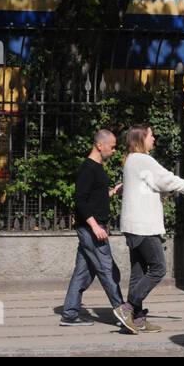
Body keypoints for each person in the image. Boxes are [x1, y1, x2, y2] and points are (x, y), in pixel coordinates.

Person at [119, 123, 184, 332]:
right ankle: (128, 307)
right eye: (151, 135)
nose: (154, 139)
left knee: (138, 272)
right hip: (144, 226)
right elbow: (169, 180)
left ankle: (134, 321)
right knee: (159, 268)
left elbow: (150, 187)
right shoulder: (143, 160)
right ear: (141, 138)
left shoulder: (131, 161)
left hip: (132, 225)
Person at [61, 129, 136, 331]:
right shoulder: (88, 168)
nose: (113, 151)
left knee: (81, 272)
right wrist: (95, 226)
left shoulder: (97, 168)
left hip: (91, 228)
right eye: (111, 147)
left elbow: (94, 197)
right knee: (108, 271)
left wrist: (112, 191)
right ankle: (124, 313)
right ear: (99, 145)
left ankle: (69, 314)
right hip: (92, 229)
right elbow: (80, 200)